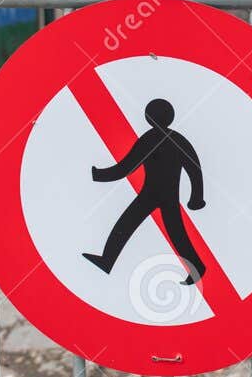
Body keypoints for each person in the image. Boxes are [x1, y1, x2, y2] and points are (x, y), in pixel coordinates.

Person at [82, 98, 208, 283]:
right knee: (138, 226)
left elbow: (126, 168)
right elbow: (194, 170)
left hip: (152, 193)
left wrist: (98, 175)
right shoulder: (177, 139)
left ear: (149, 118)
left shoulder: (150, 139)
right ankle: (106, 260)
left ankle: (107, 260)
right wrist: (197, 198)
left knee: (131, 225)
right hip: (162, 194)